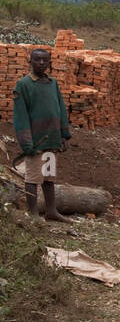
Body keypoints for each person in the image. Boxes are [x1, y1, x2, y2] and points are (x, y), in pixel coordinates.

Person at [11, 48, 72, 222]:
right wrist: (26, 143)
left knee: (49, 177)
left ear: (49, 62)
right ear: (30, 61)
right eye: (37, 60)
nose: (41, 63)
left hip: (52, 140)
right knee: (33, 178)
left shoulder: (52, 83)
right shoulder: (23, 85)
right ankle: (33, 214)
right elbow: (20, 117)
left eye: (45, 60)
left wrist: (64, 134)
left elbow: (60, 109)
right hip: (36, 142)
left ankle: (51, 211)